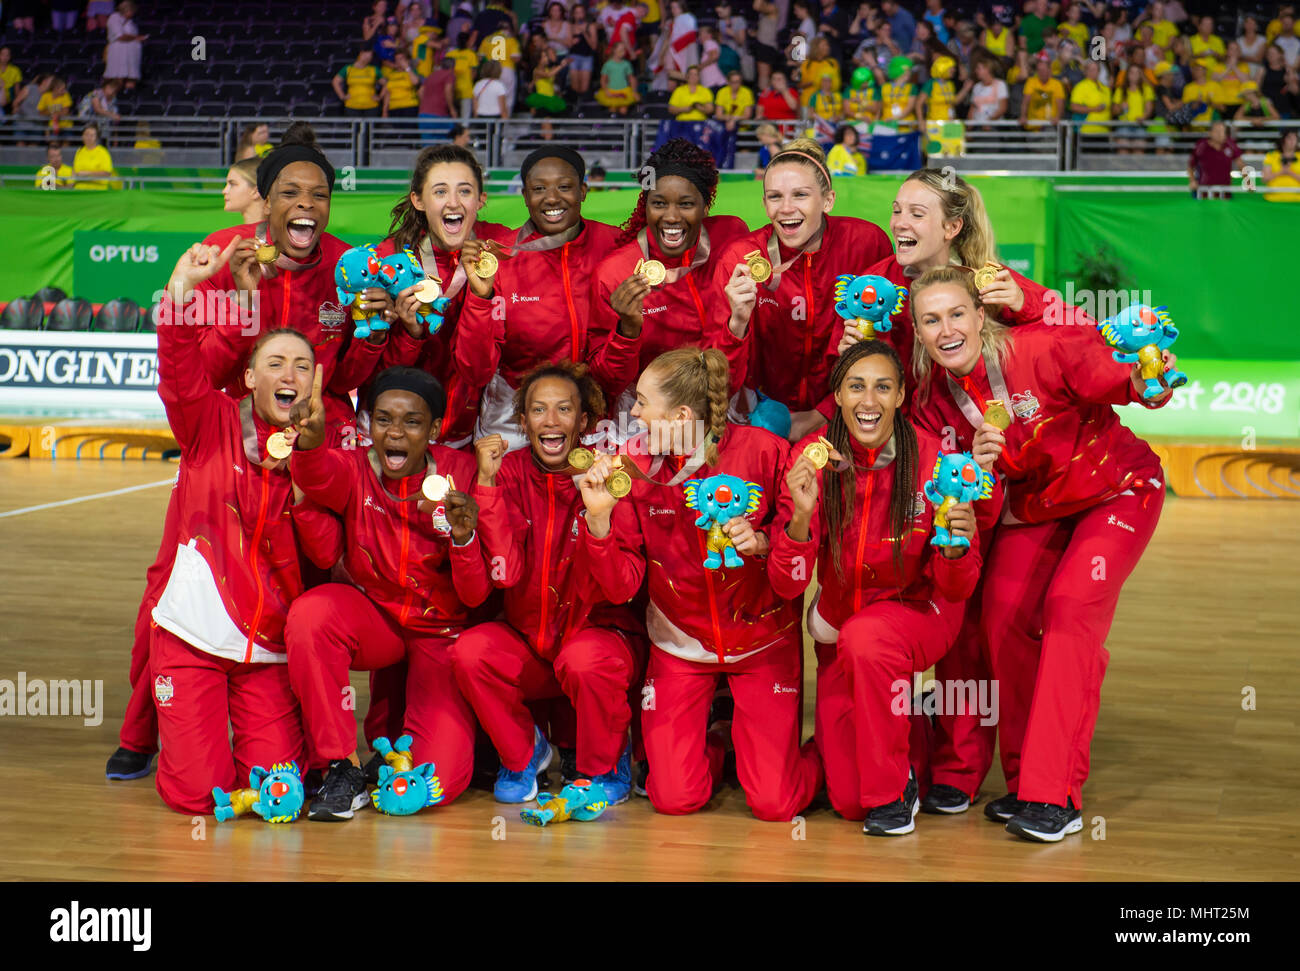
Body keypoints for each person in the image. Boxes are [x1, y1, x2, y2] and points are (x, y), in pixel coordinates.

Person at [908, 266, 1175, 841]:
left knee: (1070, 609)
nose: (947, 329)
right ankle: (1028, 778)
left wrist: (1155, 372)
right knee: (1003, 620)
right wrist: (980, 472)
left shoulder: (1041, 348)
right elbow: (967, 498)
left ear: (982, 317)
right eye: (931, 320)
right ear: (918, 334)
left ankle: (1056, 797)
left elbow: (1132, 382)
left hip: (1118, 492)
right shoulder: (932, 401)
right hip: (1036, 510)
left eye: (957, 314)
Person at [577, 348, 823, 821]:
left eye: (643, 402)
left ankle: (827, 759)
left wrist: (766, 544)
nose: (633, 413)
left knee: (775, 806)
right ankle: (718, 741)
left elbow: (792, 584)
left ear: (682, 414)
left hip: (761, 640)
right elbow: (620, 587)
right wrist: (599, 521)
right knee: (674, 799)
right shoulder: (631, 469)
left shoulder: (764, 452)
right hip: (680, 642)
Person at [770, 338, 993, 834]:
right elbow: (788, 586)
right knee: (848, 802)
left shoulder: (937, 461)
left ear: (899, 398)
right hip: (842, 638)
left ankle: (894, 793)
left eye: (882, 388)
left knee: (867, 639)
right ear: (839, 396)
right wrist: (800, 520)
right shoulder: (812, 461)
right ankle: (912, 715)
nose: (868, 401)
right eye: (856, 387)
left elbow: (957, 588)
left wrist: (955, 549)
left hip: (920, 613)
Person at [145, 242, 317, 813]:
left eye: (301, 366)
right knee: (198, 797)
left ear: (315, 385)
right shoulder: (210, 420)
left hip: (266, 645)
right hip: (192, 635)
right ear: (248, 377)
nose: (289, 375)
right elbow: (179, 370)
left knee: (280, 798)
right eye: (275, 363)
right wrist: (180, 290)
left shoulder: (318, 452)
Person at [284, 366, 488, 819]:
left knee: (433, 784)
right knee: (310, 616)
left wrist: (464, 539)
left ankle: (407, 747)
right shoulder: (355, 467)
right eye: (382, 419)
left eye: (412, 422)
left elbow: (475, 595)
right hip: (378, 622)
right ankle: (339, 765)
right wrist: (312, 439)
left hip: (440, 632)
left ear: (434, 429)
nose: (395, 432)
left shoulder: (463, 474)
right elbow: (316, 476)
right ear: (368, 424)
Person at [455, 363, 646, 803]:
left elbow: (622, 589)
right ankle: (524, 755)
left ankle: (606, 763)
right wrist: (485, 484)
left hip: (598, 642)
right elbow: (507, 573)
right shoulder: (505, 474)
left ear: (583, 422)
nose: (551, 421)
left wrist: (598, 520)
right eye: (538, 410)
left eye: (564, 409)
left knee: (584, 660)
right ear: (523, 422)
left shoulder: (613, 478)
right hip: (531, 643)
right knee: (471, 652)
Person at [713, 137, 892, 442]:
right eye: (774, 196)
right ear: (764, 203)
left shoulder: (866, 243)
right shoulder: (740, 258)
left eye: (800, 195)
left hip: (848, 417)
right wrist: (736, 324)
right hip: (762, 422)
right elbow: (717, 377)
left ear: (828, 200)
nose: (786, 209)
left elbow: (889, 344)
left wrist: (822, 413)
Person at [453, 147, 622, 452]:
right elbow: (475, 370)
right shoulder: (500, 256)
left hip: (597, 411)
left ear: (583, 191)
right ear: (525, 195)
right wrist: (481, 297)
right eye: (539, 189)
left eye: (565, 187)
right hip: (514, 413)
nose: (552, 198)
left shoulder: (614, 245)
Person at [589, 138, 750, 419]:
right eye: (659, 203)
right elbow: (607, 383)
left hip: (727, 401)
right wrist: (627, 331)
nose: (672, 217)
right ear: (646, 204)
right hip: (650, 416)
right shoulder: (615, 273)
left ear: (705, 205)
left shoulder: (731, 236)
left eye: (686, 204)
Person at [651, 0, 699, 91]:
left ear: (682, 8)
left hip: (686, 52)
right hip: (671, 52)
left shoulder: (689, 18)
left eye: (675, 7)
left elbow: (692, 37)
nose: (673, 10)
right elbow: (667, 39)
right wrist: (661, 54)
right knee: (670, 80)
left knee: (684, 81)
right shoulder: (670, 22)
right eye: (672, 8)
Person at [1189, 120, 1241, 198]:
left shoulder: (1230, 144)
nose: (1221, 134)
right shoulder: (1201, 145)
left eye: (1223, 131)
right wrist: (1192, 181)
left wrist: (1248, 182)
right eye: (1218, 131)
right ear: (1210, 133)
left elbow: (1241, 165)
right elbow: (1190, 166)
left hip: (1225, 193)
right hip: (1204, 193)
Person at [105, 1, 147, 91]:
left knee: (131, 80)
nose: (132, 14)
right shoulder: (114, 18)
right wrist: (137, 37)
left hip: (131, 56)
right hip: (119, 53)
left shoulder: (131, 22)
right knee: (118, 78)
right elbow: (119, 36)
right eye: (131, 11)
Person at [1021, 52, 1065, 128]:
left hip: (1050, 124)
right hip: (1033, 125)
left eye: (1044, 70)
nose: (1041, 73)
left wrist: (1057, 117)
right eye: (1039, 70)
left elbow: (1060, 104)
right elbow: (1026, 101)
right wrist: (1023, 116)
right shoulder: (1031, 82)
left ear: (1049, 70)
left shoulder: (1057, 84)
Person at [334, 48, 381, 117]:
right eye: (366, 55)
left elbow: (386, 84)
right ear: (361, 54)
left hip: (371, 105)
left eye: (370, 56)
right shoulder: (348, 68)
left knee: (369, 127)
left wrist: (380, 97)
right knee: (354, 127)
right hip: (352, 105)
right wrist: (342, 96)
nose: (368, 58)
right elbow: (335, 81)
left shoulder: (374, 69)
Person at [594, 41, 639, 114]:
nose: (623, 52)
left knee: (623, 110)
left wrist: (634, 91)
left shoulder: (626, 64)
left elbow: (631, 78)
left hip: (623, 90)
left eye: (624, 50)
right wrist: (606, 90)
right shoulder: (608, 64)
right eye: (621, 50)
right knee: (613, 109)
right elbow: (603, 79)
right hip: (611, 91)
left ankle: (623, 125)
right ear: (614, 50)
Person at [566, 6, 599, 96]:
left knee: (584, 88)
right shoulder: (570, 26)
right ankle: (576, 107)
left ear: (584, 14)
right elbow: (568, 44)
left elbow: (594, 47)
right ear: (573, 15)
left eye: (581, 12)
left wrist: (584, 33)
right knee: (575, 87)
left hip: (587, 58)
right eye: (576, 13)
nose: (579, 15)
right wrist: (572, 42)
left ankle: (582, 106)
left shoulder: (591, 26)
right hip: (574, 57)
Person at [73, 123, 115, 190]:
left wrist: (88, 173)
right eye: (86, 134)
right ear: (82, 136)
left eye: (92, 135)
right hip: (79, 189)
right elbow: (75, 171)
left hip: (97, 190)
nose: (88, 137)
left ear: (96, 137)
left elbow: (107, 173)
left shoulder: (103, 152)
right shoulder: (79, 151)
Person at [222, 157, 263, 225]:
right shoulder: (283, 233)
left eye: (232, 184)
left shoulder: (223, 235)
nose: (224, 191)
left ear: (256, 191)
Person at [381, 49, 422, 117]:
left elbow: (416, 82)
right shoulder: (391, 75)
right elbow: (388, 93)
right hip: (394, 108)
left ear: (407, 60)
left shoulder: (412, 72)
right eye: (397, 59)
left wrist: (407, 68)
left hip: (409, 107)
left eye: (401, 59)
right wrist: (384, 111)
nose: (399, 62)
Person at [1262, 129, 1300, 202]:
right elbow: (1265, 178)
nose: (1292, 141)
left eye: (1295, 138)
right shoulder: (1271, 156)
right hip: (1273, 199)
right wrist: (1282, 172)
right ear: (1283, 140)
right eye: (1289, 138)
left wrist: (1290, 172)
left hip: (1297, 199)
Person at [968, 58, 1009, 124]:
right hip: (977, 125)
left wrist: (989, 122)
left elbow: (1003, 108)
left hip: (994, 126)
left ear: (987, 69)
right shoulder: (976, 87)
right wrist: (969, 126)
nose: (976, 71)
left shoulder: (1000, 84)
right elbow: (972, 109)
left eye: (979, 68)